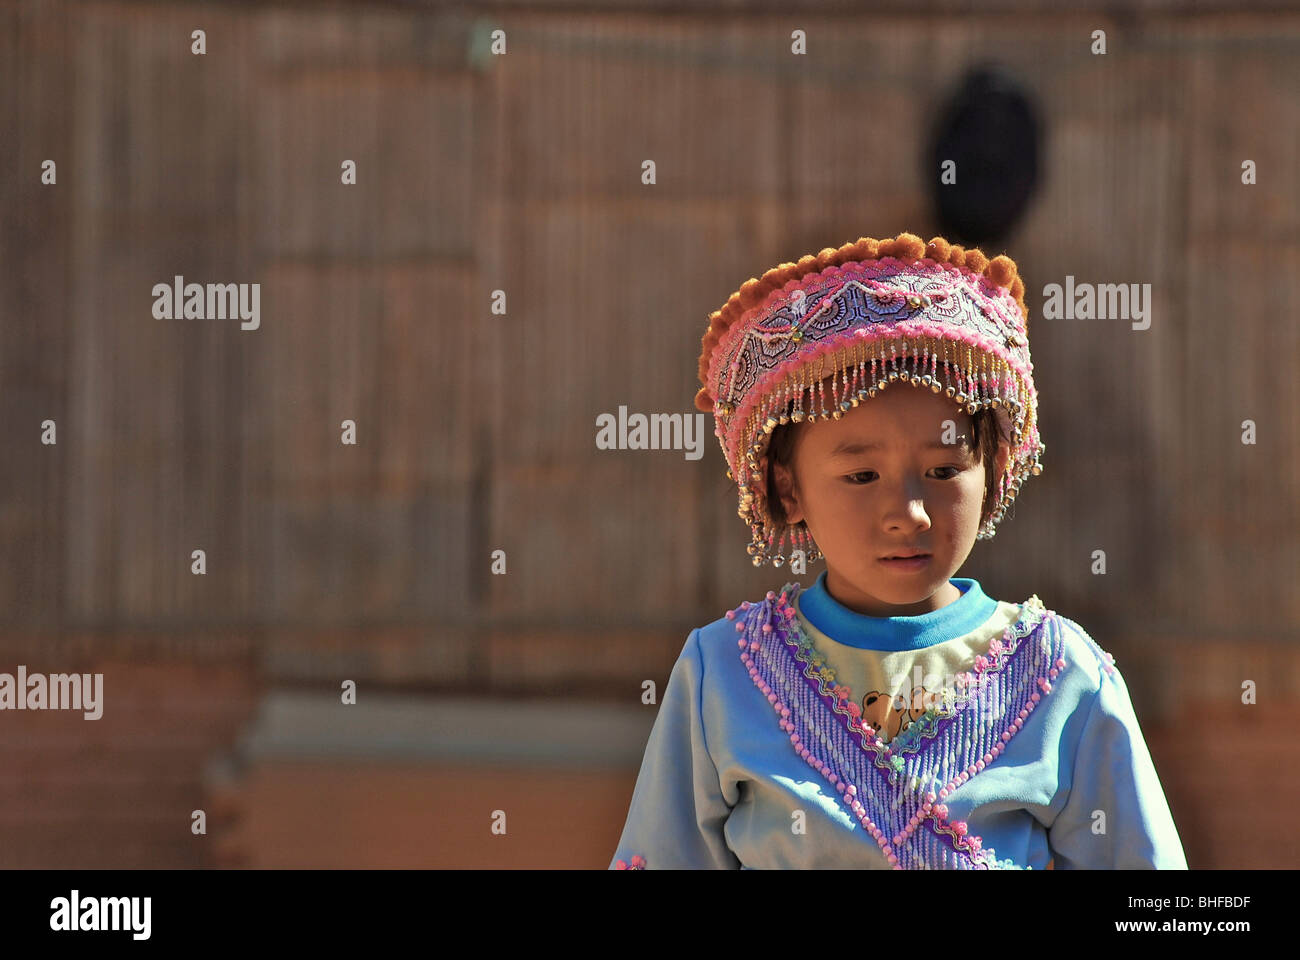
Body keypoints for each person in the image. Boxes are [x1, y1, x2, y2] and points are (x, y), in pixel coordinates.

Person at [609, 232, 1186, 869]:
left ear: (992, 468)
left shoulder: (1063, 677)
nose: (909, 514)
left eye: (943, 471)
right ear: (787, 487)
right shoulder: (721, 676)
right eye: (861, 477)